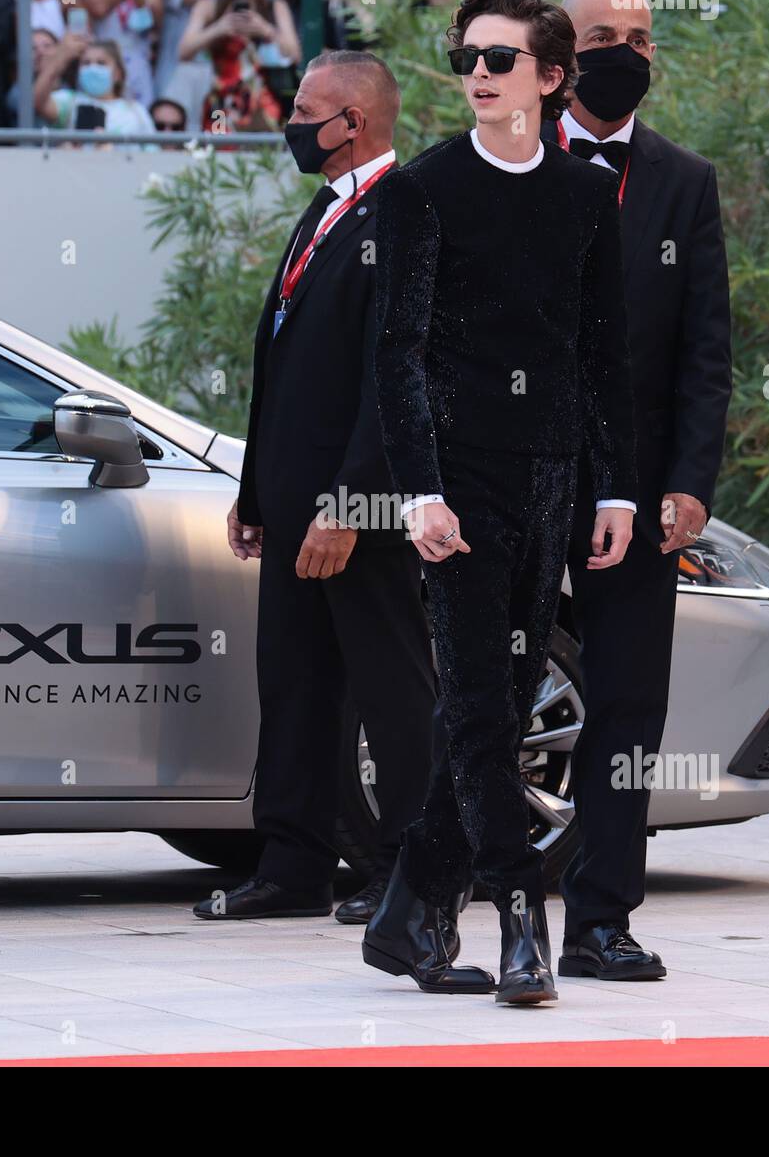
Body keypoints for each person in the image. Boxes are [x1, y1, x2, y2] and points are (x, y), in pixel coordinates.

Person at [363, 0, 637, 1005]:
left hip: (557, 472)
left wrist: (616, 491)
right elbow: (394, 356)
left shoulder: (582, 195)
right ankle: (522, 915)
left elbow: (605, 352)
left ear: (550, 77)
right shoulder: (423, 190)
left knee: (502, 705)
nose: (475, 74)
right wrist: (418, 491)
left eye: (498, 58)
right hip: (461, 483)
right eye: (465, 56)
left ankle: (404, 913)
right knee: (480, 704)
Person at [196, 50, 436, 927]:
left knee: (391, 687)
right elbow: (284, 364)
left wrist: (346, 501)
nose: (291, 121)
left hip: (358, 510)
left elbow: (395, 381)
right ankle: (293, 862)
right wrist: (259, 491)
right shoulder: (325, 209)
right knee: (295, 684)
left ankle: (413, 866)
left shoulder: (406, 214)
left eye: (305, 109)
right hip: (297, 504)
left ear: (355, 123)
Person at [535, 0, 732, 982]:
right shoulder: (502, 163)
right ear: (561, 54)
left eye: (641, 37)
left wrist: (691, 482)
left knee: (624, 710)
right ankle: (451, 904)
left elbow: (706, 348)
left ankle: (601, 919)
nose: (627, 51)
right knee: (479, 696)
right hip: (517, 483)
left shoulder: (682, 181)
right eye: (603, 35)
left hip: (643, 492)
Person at [178, 0, 300, 132]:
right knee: (219, 152)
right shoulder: (211, 5)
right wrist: (219, 28)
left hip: (265, 104)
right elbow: (184, 51)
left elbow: (295, 54)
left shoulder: (276, 7)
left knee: (263, 155)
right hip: (220, 105)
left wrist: (266, 30)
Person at [74, 0, 162, 111]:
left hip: (138, 67)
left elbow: (158, 24)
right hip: (100, 66)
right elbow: (99, 8)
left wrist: (143, 4)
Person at [35, 34, 156, 134]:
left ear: (118, 74)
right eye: (86, 63)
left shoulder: (136, 112)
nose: (93, 68)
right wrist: (60, 58)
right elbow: (37, 101)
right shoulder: (69, 102)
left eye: (101, 63)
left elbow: (152, 154)